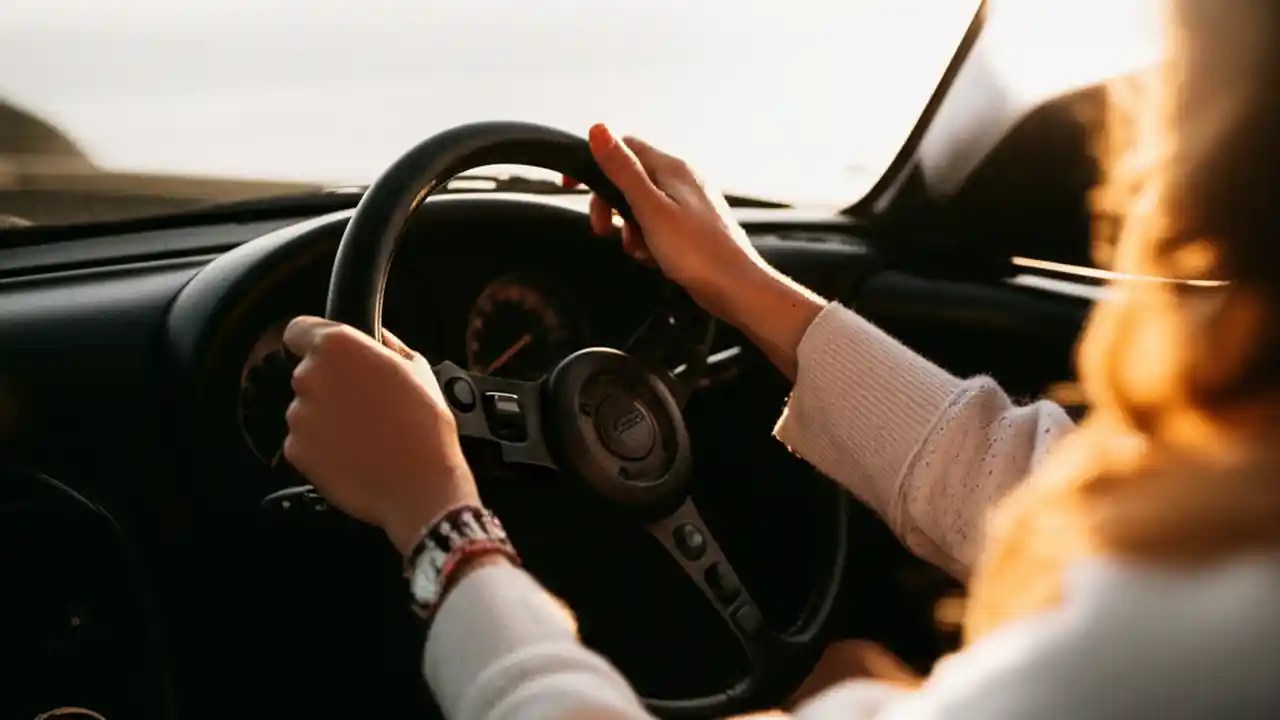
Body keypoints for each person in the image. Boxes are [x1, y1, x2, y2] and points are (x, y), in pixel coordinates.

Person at [279, 0, 1280, 716]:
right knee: (842, 666)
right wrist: (742, 284)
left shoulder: (1205, 621)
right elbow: (1032, 488)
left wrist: (439, 523)